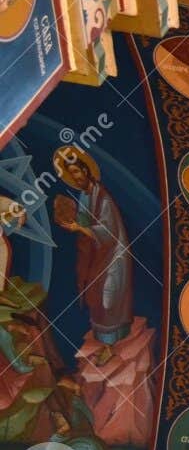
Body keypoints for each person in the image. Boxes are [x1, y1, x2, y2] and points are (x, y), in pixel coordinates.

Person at [52, 145, 132, 356]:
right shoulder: (85, 197)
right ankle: (106, 344)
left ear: (86, 171)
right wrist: (71, 220)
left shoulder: (103, 197)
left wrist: (79, 227)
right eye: (71, 175)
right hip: (98, 256)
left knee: (108, 298)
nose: (75, 178)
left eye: (77, 172)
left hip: (114, 254)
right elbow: (87, 222)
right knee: (95, 297)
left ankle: (110, 346)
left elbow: (107, 232)